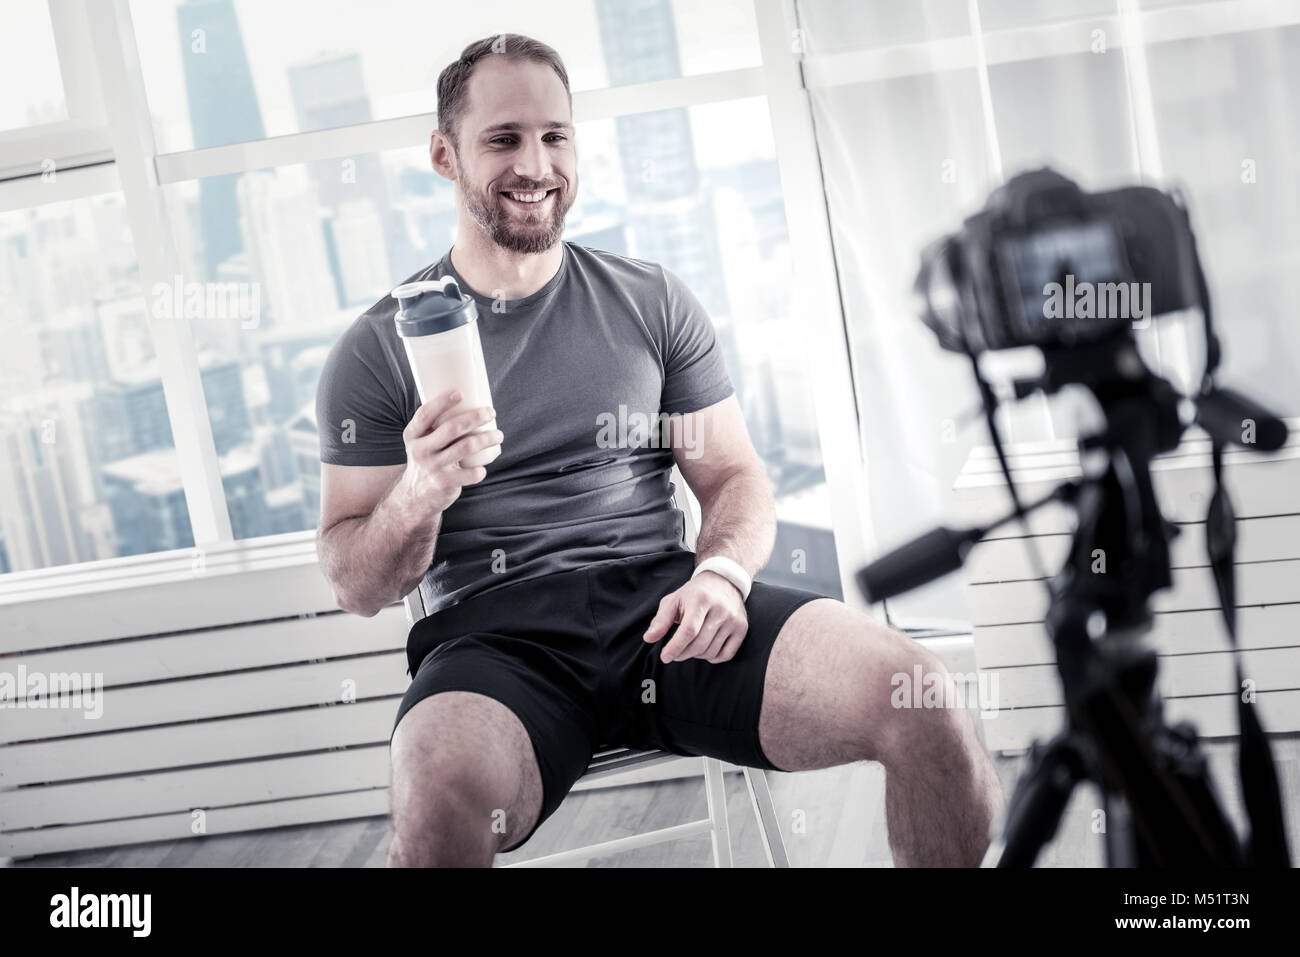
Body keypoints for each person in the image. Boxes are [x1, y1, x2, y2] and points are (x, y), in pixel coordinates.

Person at [314, 33, 1003, 867]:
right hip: (496, 644)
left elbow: (735, 476)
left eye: (554, 135)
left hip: (667, 612)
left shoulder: (650, 301)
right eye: (503, 139)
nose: (535, 164)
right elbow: (356, 582)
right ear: (443, 154)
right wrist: (421, 490)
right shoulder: (381, 346)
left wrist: (721, 573)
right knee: (433, 811)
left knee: (925, 701)